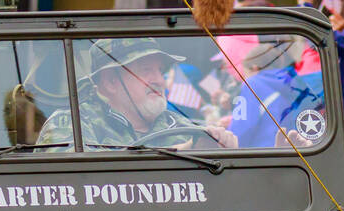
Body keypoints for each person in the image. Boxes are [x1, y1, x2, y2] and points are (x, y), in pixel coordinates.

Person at [37, 38, 237, 149]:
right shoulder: (71, 125)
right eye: (145, 70)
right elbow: (76, 182)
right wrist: (182, 151)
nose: (159, 80)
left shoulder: (182, 128)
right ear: (111, 82)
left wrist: (225, 150)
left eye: (160, 71)